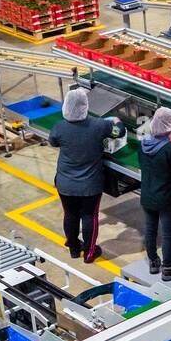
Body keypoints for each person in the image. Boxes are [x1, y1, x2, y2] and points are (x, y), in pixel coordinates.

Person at [47, 86, 122, 263]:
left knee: (70, 214)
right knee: (90, 216)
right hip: (90, 185)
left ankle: (74, 248)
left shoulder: (59, 127)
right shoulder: (99, 125)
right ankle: (89, 253)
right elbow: (120, 132)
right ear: (85, 105)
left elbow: (53, 142)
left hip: (65, 183)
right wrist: (117, 120)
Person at [140, 106, 171, 279]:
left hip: (148, 195)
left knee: (150, 229)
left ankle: (153, 261)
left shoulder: (144, 143)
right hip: (166, 198)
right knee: (168, 233)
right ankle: (168, 268)